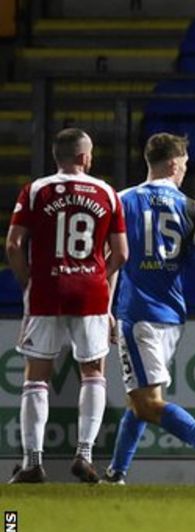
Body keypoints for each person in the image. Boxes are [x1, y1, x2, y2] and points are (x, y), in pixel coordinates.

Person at [103, 133, 195, 485]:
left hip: (137, 313)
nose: (185, 171)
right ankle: (115, 474)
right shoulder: (194, 208)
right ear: (173, 164)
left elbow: (110, 259)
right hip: (172, 317)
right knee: (142, 398)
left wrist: (105, 306)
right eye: (184, 165)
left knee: (146, 401)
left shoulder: (121, 201)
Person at [7, 128, 129, 483]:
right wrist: (95, 277)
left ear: (56, 156)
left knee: (36, 377)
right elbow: (121, 252)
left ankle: (33, 462)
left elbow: (14, 245)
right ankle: (85, 454)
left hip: (46, 289)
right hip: (91, 292)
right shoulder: (106, 192)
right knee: (93, 372)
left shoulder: (35, 190)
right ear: (84, 157)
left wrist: (28, 281)